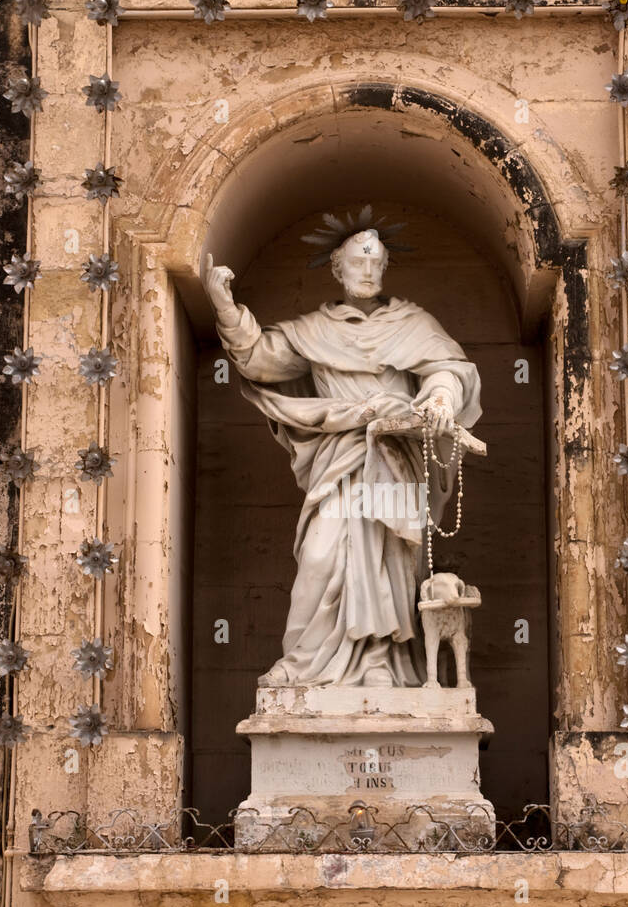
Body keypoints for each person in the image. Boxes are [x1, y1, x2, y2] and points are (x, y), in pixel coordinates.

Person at [205, 224, 482, 686]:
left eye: (377, 262)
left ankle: (381, 663)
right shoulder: (315, 330)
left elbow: (448, 371)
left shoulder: (413, 325)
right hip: (341, 456)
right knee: (319, 556)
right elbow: (259, 358)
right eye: (358, 261)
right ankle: (303, 665)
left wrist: (438, 398)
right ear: (337, 268)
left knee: (391, 559)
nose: (368, 270)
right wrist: (224, 306)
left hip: (394, 458)